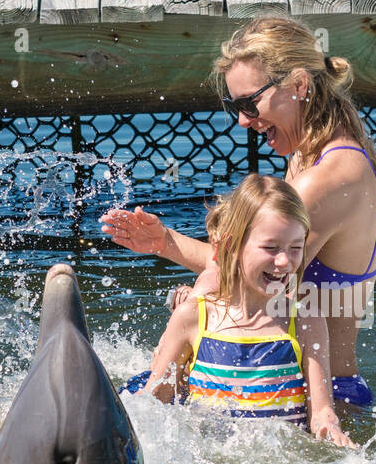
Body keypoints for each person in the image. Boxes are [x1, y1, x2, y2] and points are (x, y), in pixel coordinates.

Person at [100, 16, 376, 409]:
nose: (243, 120)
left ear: (299, 85)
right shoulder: (315, 153)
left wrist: (174, 259)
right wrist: (164, 243)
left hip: (306, 399)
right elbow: (252, 263)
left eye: (251, 103)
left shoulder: (325, 179)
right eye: (235, 105)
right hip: (279, 380)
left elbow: (239, 275)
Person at [143, 175, 354, 448]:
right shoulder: (193, 318)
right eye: (270, 247)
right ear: (232, 245)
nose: (284, 261)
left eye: (296, 248)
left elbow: (322, 411)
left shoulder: (304, 320)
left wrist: (330, 429)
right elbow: (154, 405)